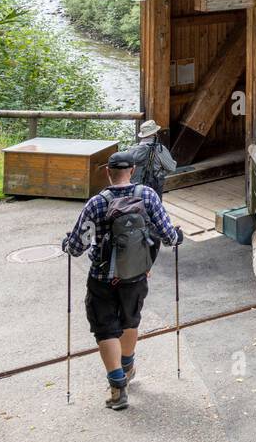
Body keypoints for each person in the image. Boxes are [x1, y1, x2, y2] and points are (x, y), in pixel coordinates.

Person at [62, 151, 182, 411]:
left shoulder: (96, 203)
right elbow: (168, 234)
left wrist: (66, 245)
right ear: (133, 170)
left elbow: (76, 246)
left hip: (102, 278)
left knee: (105, 329)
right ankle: (127, 367)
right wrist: (176, 238)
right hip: (136, 275)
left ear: (108, 172)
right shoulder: (147, 195)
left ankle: (117, 388)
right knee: (130, 320)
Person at [127, 120, 177, 199]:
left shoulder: (133, 149)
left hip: (134, 189)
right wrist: (159, 175)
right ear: (155, 134)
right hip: (153, 188)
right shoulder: (160, 149)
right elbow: (171, 167)